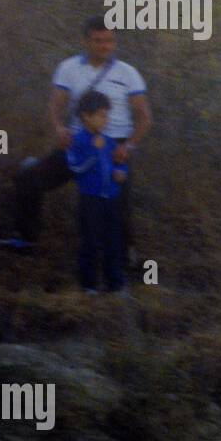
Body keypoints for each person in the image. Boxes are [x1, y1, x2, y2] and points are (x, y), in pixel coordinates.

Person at [0, 16, 152, 253]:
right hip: (80, 142)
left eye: (109, 40)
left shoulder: (128, 73)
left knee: (117, 205)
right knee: (30, 178)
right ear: (86, 41)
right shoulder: (68, 68)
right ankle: (25, 240)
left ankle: (126, 261)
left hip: (114, 147)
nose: (105, 46)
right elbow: (55, 106)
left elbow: (144, 117)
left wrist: (128, 147)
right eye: (98, 40)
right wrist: (59, 128)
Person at [67, 91, 128, 292]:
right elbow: (75, 168)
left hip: (111, 198)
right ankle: (89, 287)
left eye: (107, 115)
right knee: (90, 242)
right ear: (86, 116)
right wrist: (93, 152)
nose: (106, 120)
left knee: (114, 241)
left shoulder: (110, 142)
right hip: (90, 200)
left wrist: (120, 172)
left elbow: (120, 162)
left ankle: (116, 285)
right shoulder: (77, 141)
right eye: (102, 115)